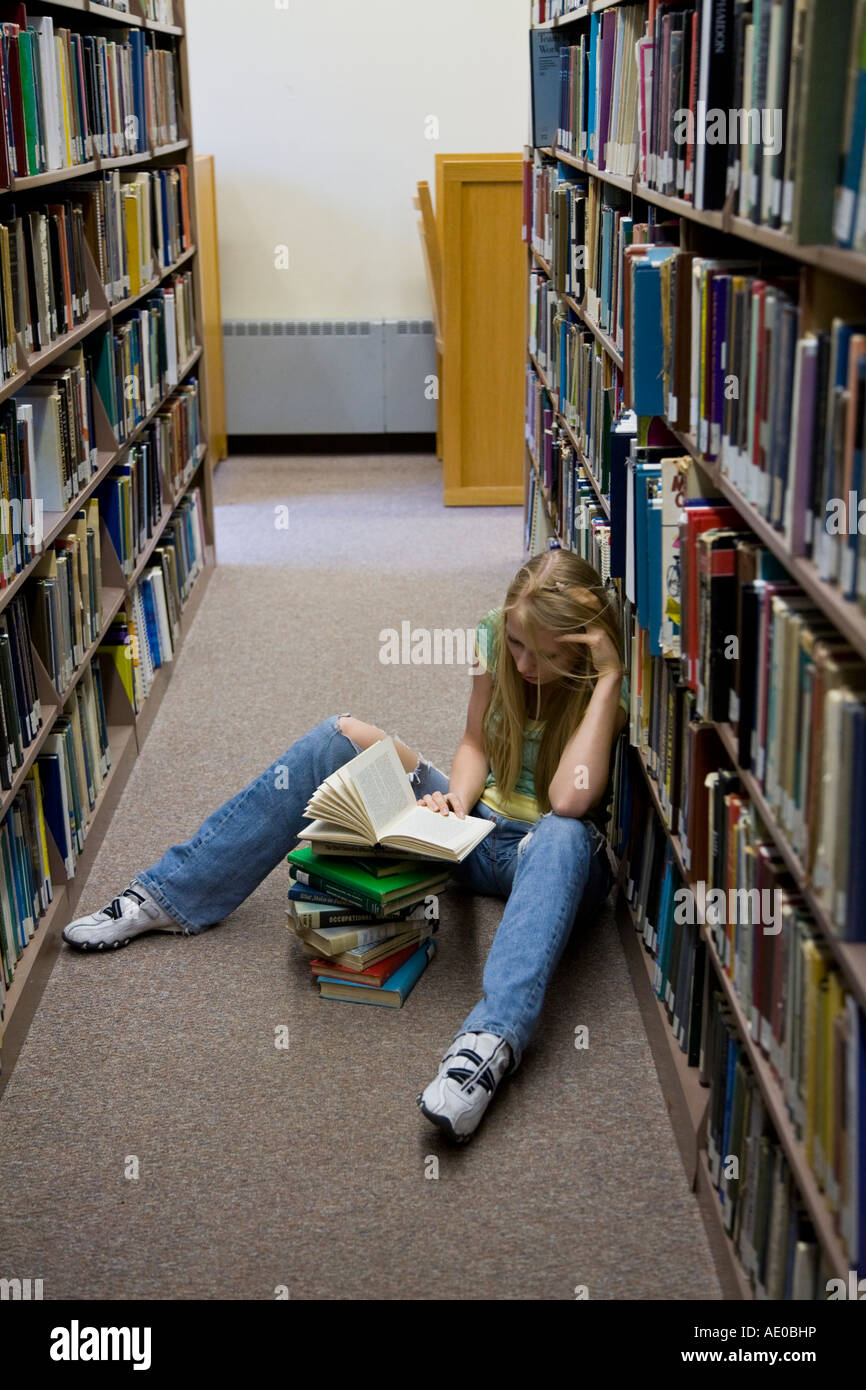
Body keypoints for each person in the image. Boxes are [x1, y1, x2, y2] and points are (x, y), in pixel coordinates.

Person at [62, 547, 628, 1143]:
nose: (525, 663)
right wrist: (456, 805)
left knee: (563, 832)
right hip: (476, 829)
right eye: (516, 645)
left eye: (546, 653)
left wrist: (609, 675)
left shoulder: (604, 682)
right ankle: (171, 895)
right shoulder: (494, 634)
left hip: (549, 860)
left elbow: (568, 801)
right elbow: (474, 742)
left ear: (583, 645)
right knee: (339, 736)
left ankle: (487, 1045)